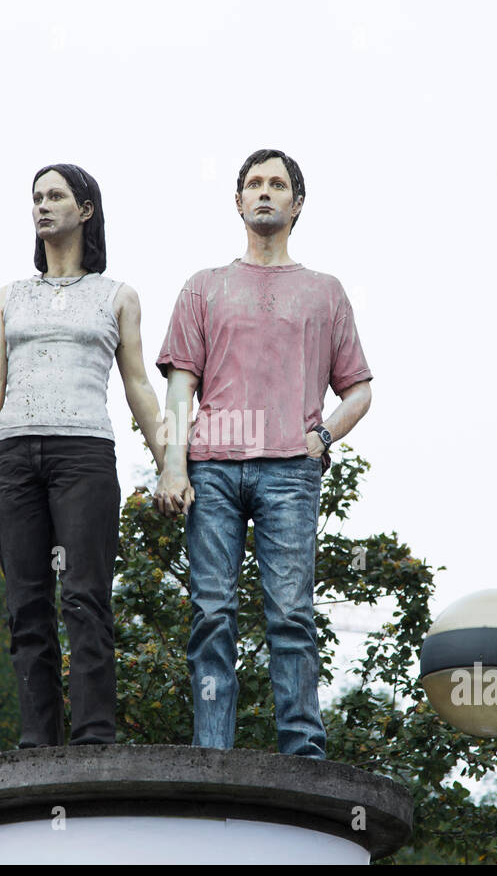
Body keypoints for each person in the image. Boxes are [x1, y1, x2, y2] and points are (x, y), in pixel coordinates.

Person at [153, 148, 373, 759]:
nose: (265, 193)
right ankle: (211, 752)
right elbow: (180, 386)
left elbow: (358, 388)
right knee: (212, 615)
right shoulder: (204, 287)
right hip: (213, 467)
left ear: (298, 205)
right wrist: (173, 464)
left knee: (292, 617)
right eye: (255, 184)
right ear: (239, 201)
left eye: (278, 184)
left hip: (289, 471)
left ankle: (303, 752)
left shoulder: (324, 293)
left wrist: (320, 439)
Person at [0, 163, 165, 747]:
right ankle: (38, 741)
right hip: (15, 456)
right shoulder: (9, 297)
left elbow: (139, 386)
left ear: (86, 209)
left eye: (56, 196)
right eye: (36, 198)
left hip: (85, 453)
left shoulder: (116, 296)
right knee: (26, 602)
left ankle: (96, 734)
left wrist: (168, 464)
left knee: (83, 594)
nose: (43, 206)